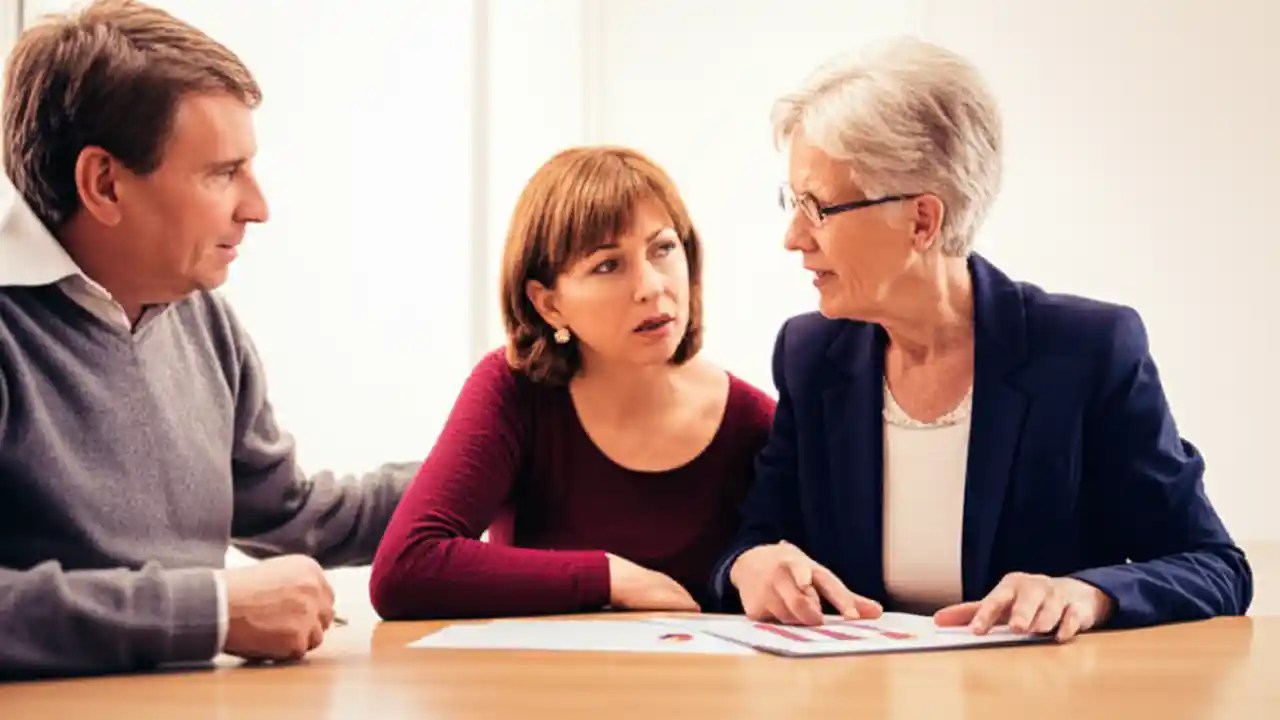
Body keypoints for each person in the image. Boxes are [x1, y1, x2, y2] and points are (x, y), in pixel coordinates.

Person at [712, 37, 1252, 641]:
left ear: (922, 220)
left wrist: (1087, 595)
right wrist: (749, 565)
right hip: (861, 687)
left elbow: (1215, 567)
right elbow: (758, 537)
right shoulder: (811, 355)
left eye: (816, 208)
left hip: (1039, 688)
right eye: (792, 202)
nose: (793, 237)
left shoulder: (1089, 352)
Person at [0, 0, 415, 679]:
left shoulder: (200, 317)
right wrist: (210, 611)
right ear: (104, 184)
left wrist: (496, 463)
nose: (258, 207)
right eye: (222, 173)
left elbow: (290, 513)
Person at [369, 146, 776, 619]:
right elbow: (405, 567)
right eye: (608, 265)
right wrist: (610, 578)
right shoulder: (513, 390)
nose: (651, 286)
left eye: (663, 249)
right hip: (542, 671)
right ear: (549, 304)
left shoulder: (757, 423)